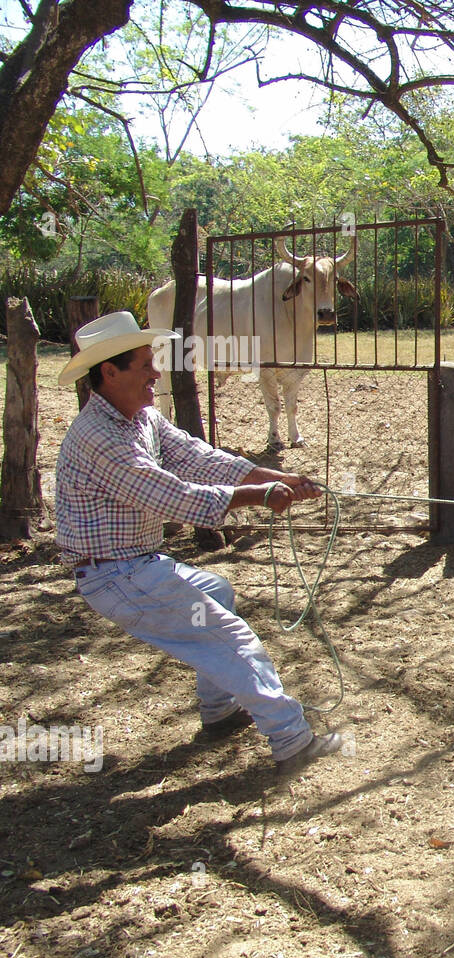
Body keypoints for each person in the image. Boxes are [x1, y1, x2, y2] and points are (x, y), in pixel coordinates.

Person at [55, 310, 341, 779]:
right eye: (145, 364)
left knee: (217, 595)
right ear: (109, 372)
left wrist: (279, 477)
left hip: (133, 566)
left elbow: (199, 458)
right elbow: (175, 497)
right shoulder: (99, 437)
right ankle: (292, 738)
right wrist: (260, 495)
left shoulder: (140, 418)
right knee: (233, 639)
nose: (155, 373)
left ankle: (219, 711)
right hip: (117, 574)